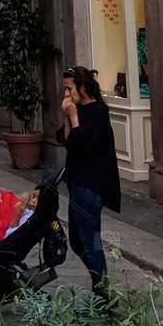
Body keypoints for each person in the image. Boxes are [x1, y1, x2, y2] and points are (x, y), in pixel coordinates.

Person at [58, 65, 121, 307]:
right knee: (77, 241)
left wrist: (73, 117)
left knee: (90, 240)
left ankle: (102, 295)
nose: (67, 94)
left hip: (92, 186)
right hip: (77, 185)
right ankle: (100, 286)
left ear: (83, 88)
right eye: (65, 89)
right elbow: (68, 142)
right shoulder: (78, 110)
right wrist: (68, 117)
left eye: (69, 88)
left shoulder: (98, 112)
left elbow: (85, 145)